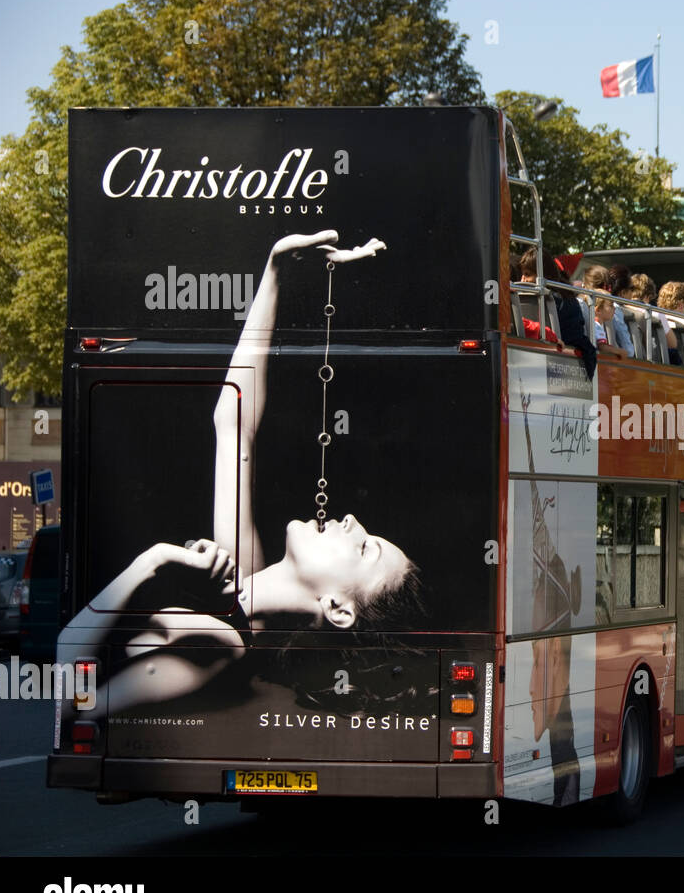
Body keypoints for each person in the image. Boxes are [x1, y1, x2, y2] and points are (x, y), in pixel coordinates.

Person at [70, 231, 428, 715]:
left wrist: (150, 563)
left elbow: (71, 703)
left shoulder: (223, 645)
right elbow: (234, 424)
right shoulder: (243, 580)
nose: (352, 520)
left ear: (337, 609)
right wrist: (277, 270)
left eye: (365, 547)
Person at [520, 247, 596, 379]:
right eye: (523, 274)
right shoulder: (566, 297)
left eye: (527, 274)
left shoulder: (562, 300)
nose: (523, 280)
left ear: (543, 275)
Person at [583, 264, 634, 355]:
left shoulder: (580, 303)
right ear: (598, 310)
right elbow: (627, 348)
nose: (613, 307)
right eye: (611, 305)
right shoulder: (613, 310)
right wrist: (621, 352)